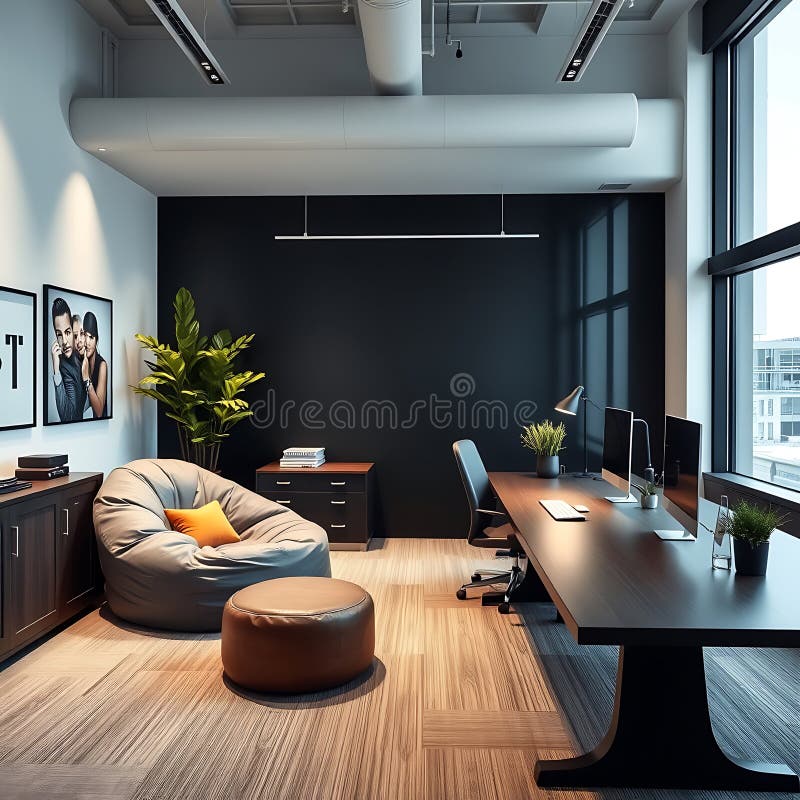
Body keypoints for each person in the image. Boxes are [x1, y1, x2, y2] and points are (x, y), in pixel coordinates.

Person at [50, 297, 86, 422]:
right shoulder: (63, 368)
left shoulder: (81, 355)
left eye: (67, 332)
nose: (64, 342)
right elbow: (68, 417)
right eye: (59, 335)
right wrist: (56, 371)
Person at [81, 311, 108, 419]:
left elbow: (99, 412)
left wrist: (86, 379)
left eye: (91, 337)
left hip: (102, 426)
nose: (87, 343)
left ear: (96, 340)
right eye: (85, 336)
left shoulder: (102, 365)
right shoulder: (82, 362)